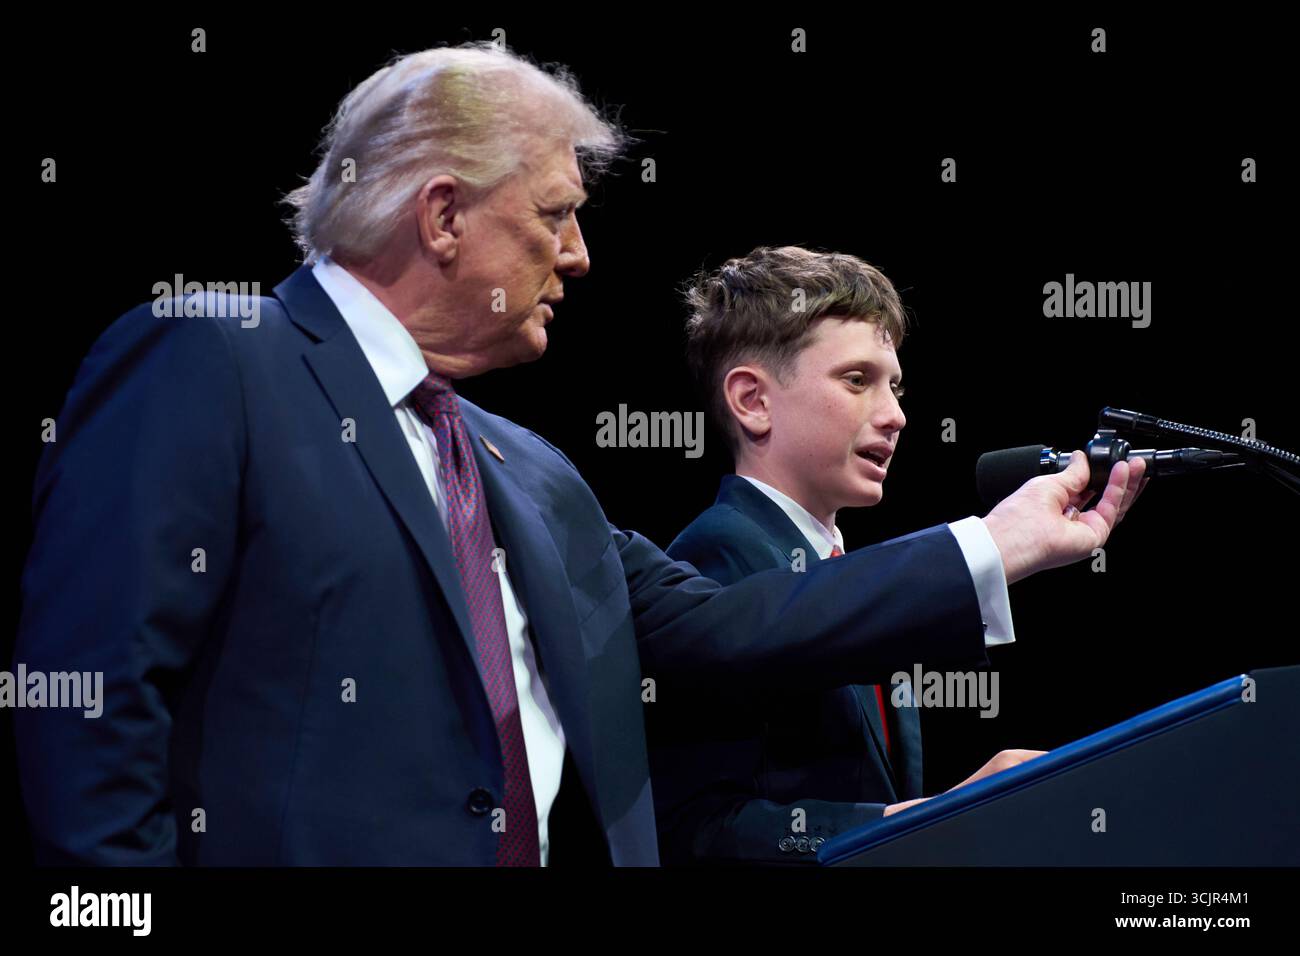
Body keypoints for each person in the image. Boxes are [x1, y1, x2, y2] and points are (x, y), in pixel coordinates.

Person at [13, 44, 1145, 866]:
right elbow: (91, 700)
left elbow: (724, 626)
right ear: (444, 214)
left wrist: (997, 546)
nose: (580, 253)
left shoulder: (530, 471)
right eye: (555, 213)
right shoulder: (217, 355)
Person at [648, 247, 1146, 864]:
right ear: (753, 400)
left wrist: (938, 813)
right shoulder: (720, 551)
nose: (897, 416)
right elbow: (698, 828)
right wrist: (913, 825)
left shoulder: (840, 569)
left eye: (896, 385)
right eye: (857, 380)